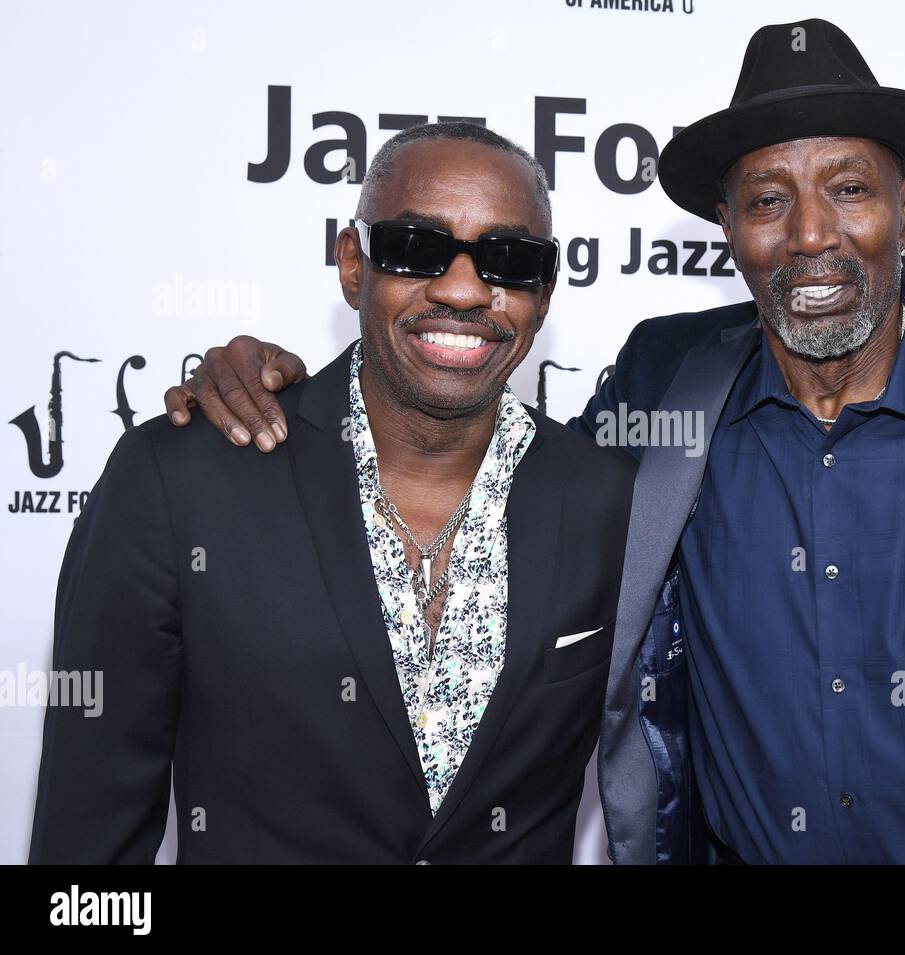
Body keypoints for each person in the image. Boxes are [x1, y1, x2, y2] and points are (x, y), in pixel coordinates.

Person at [164, 20, 905, 864]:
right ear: (728, 228)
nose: (812, 233)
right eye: (767, 199)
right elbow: (476, 486)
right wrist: (292, 394)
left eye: (851, 189)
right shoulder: (660, 384)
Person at [30, 122, 635, 863]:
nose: (464, 288)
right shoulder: (180, 478)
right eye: (418, 246)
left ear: (543, 294)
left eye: (510, 261)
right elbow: (84, 848)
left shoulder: (612, 502)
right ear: (354, 264)